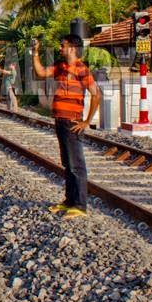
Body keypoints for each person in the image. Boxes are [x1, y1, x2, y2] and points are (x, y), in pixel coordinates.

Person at [30, 35, 100, 219]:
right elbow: (41, 73)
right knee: (67, 163)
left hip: (72, 121)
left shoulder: (82, 69)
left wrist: (86, 121)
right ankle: (69, 200)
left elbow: (96, 94)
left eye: (63, 45)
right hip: (60, 120)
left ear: (72, 48)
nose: (60, 48)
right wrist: (35, 53)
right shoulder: (61, 67)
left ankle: (80, 204)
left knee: (76, 165)